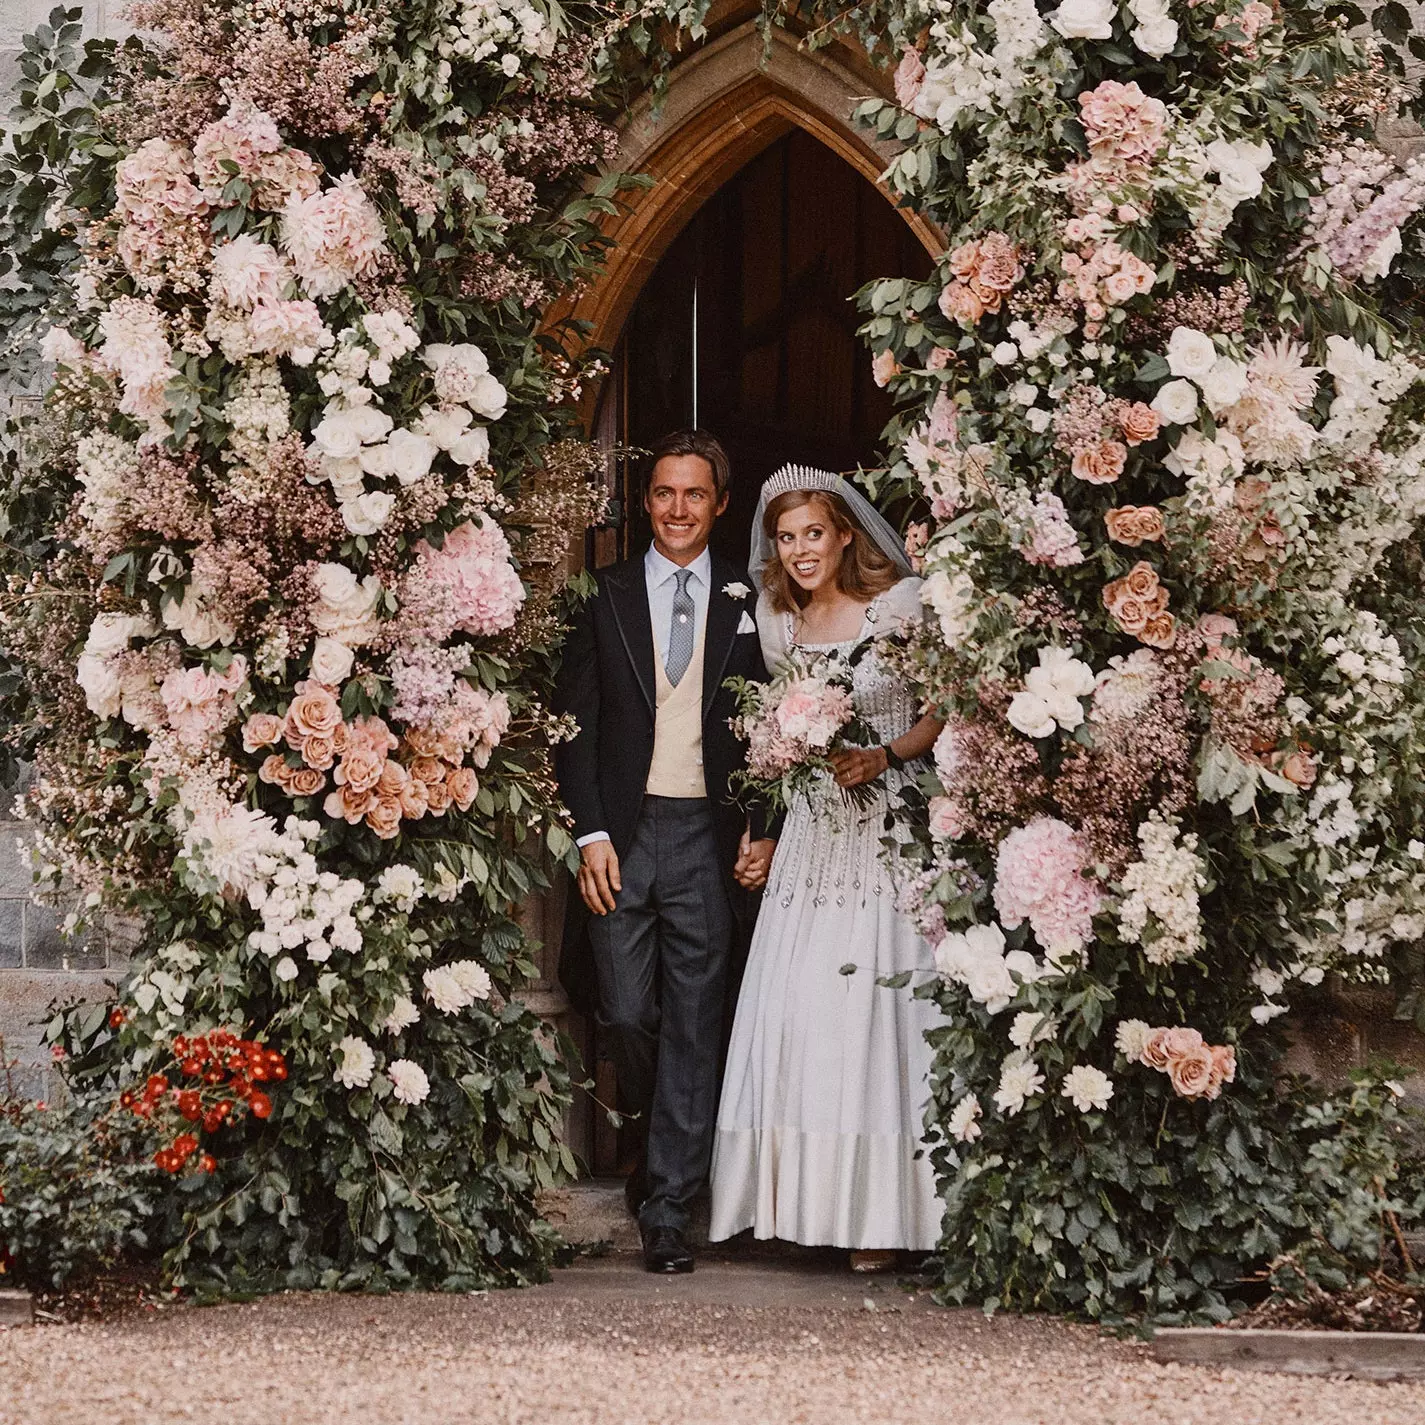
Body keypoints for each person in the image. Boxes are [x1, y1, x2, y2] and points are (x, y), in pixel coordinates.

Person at [709, 464, 945, 1270]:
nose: (801, 550)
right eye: (786, 537)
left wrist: (883, 752)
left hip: (888, 825)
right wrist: (767, 821)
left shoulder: (899, 607)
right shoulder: (778, 622)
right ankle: (800, 1203)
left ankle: (885, 1214)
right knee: (804, 1009)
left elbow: (939, 707)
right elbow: (776, 747)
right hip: (813, 836)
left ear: (845, 533)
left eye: (814, 532)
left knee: (878, 1014)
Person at [554, 429, 778, 1275]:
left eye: (694, 494)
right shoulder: (603, 594)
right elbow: (572, 726)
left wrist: (760, 824)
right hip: (624, 828)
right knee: (624, 1012)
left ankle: (668, 1206)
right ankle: (656, 1143)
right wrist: (590, 832)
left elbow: (773, 730)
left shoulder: (750, 603)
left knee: (695, 1019)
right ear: (643, 502)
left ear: (720, 504)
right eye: (662, 493)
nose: (677, 509)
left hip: (706, 835)